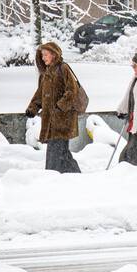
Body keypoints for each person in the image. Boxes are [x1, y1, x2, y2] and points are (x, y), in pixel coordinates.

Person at [26, 41, 88, 173]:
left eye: (45, 55)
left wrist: (60, 107)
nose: (43, 58)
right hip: (51, 120)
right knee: (61, 152)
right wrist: (32, 108)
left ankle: (52, 175)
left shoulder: (63, 68)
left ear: (54, 54)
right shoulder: (45, 74)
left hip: (63, 119)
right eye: (42, 55)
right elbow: (40, 94)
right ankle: (74, 174)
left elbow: (72, 91)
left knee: (56, 151)